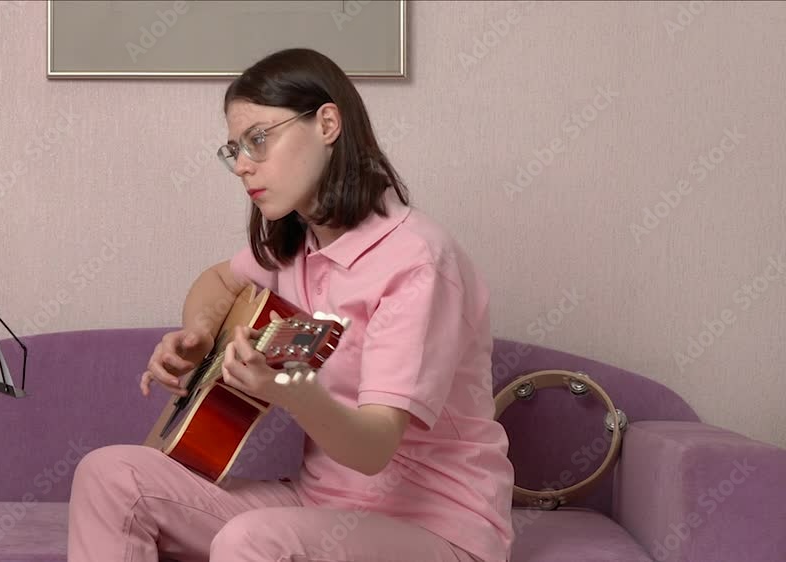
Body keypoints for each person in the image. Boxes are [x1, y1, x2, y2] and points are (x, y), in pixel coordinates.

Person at [68, 47, 515, 562]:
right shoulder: (299, 246)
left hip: (436, 529)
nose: (241, 165)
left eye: (259, 140)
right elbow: (218, 281)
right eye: (233, 149)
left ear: (327, 123)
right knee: (110, 476)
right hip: (321, 508)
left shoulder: (417, 261)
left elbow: (372, 450)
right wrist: (199, 333)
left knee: (252, 539)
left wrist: (290, 389)